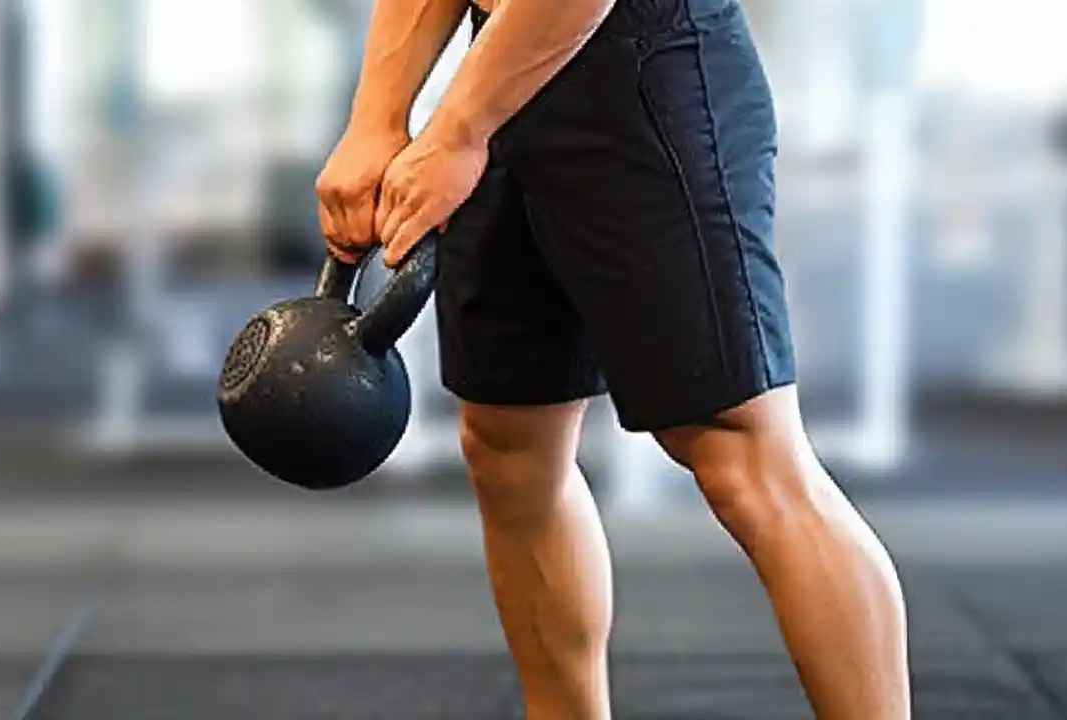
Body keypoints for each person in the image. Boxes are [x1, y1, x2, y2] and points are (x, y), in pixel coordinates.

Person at [315, 0, 911, 717]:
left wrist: (455, 133)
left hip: (645, 66)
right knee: (507, 444)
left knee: (743, 454)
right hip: (496, 79)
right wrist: (377, 119)